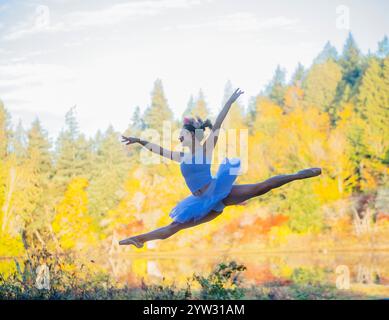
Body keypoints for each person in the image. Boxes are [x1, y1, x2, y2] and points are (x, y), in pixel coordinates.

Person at [119, 88, 321, 248]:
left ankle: (299, 175)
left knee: (262, 187)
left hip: (217, 192)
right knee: (174, 227)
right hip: (199, 202)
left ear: (194, 135)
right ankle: (139, 239)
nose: (179, 137)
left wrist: (230, 102)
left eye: (182, 134)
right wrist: (139, 140)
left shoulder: (205, 149)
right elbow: (158, 150)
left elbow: (217, 125)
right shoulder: (182, 156)